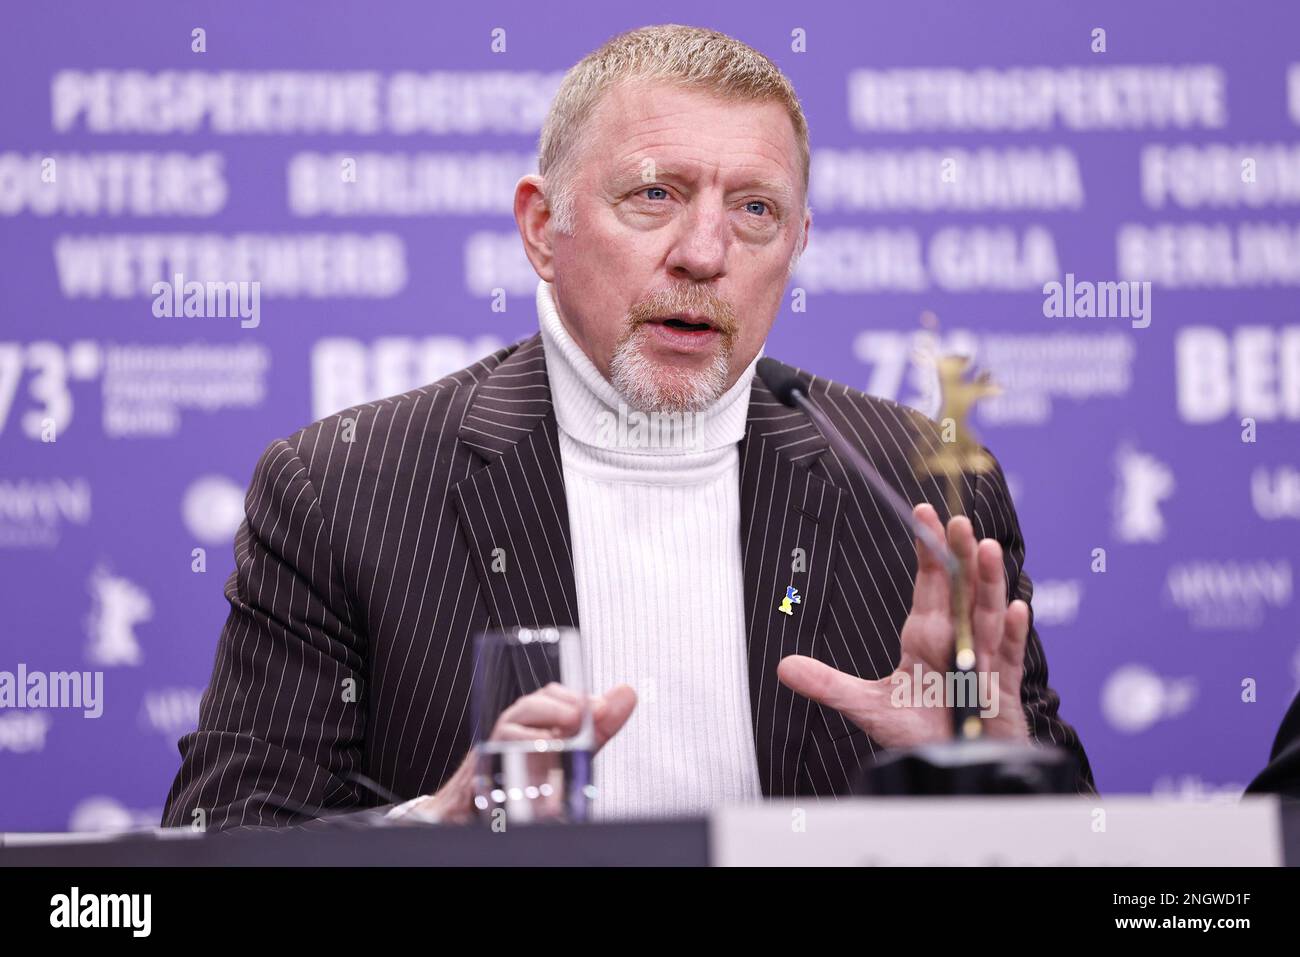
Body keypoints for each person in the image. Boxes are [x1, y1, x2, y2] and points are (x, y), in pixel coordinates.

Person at [162, 24, 1093, 831]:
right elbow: (225, 833)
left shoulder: (919, 485)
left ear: (799, 242)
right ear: (541, 226)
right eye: (654, 194)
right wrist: (433, 830)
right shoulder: (346, 487)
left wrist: (990, 772)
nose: (702, 253)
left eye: (755, 210)